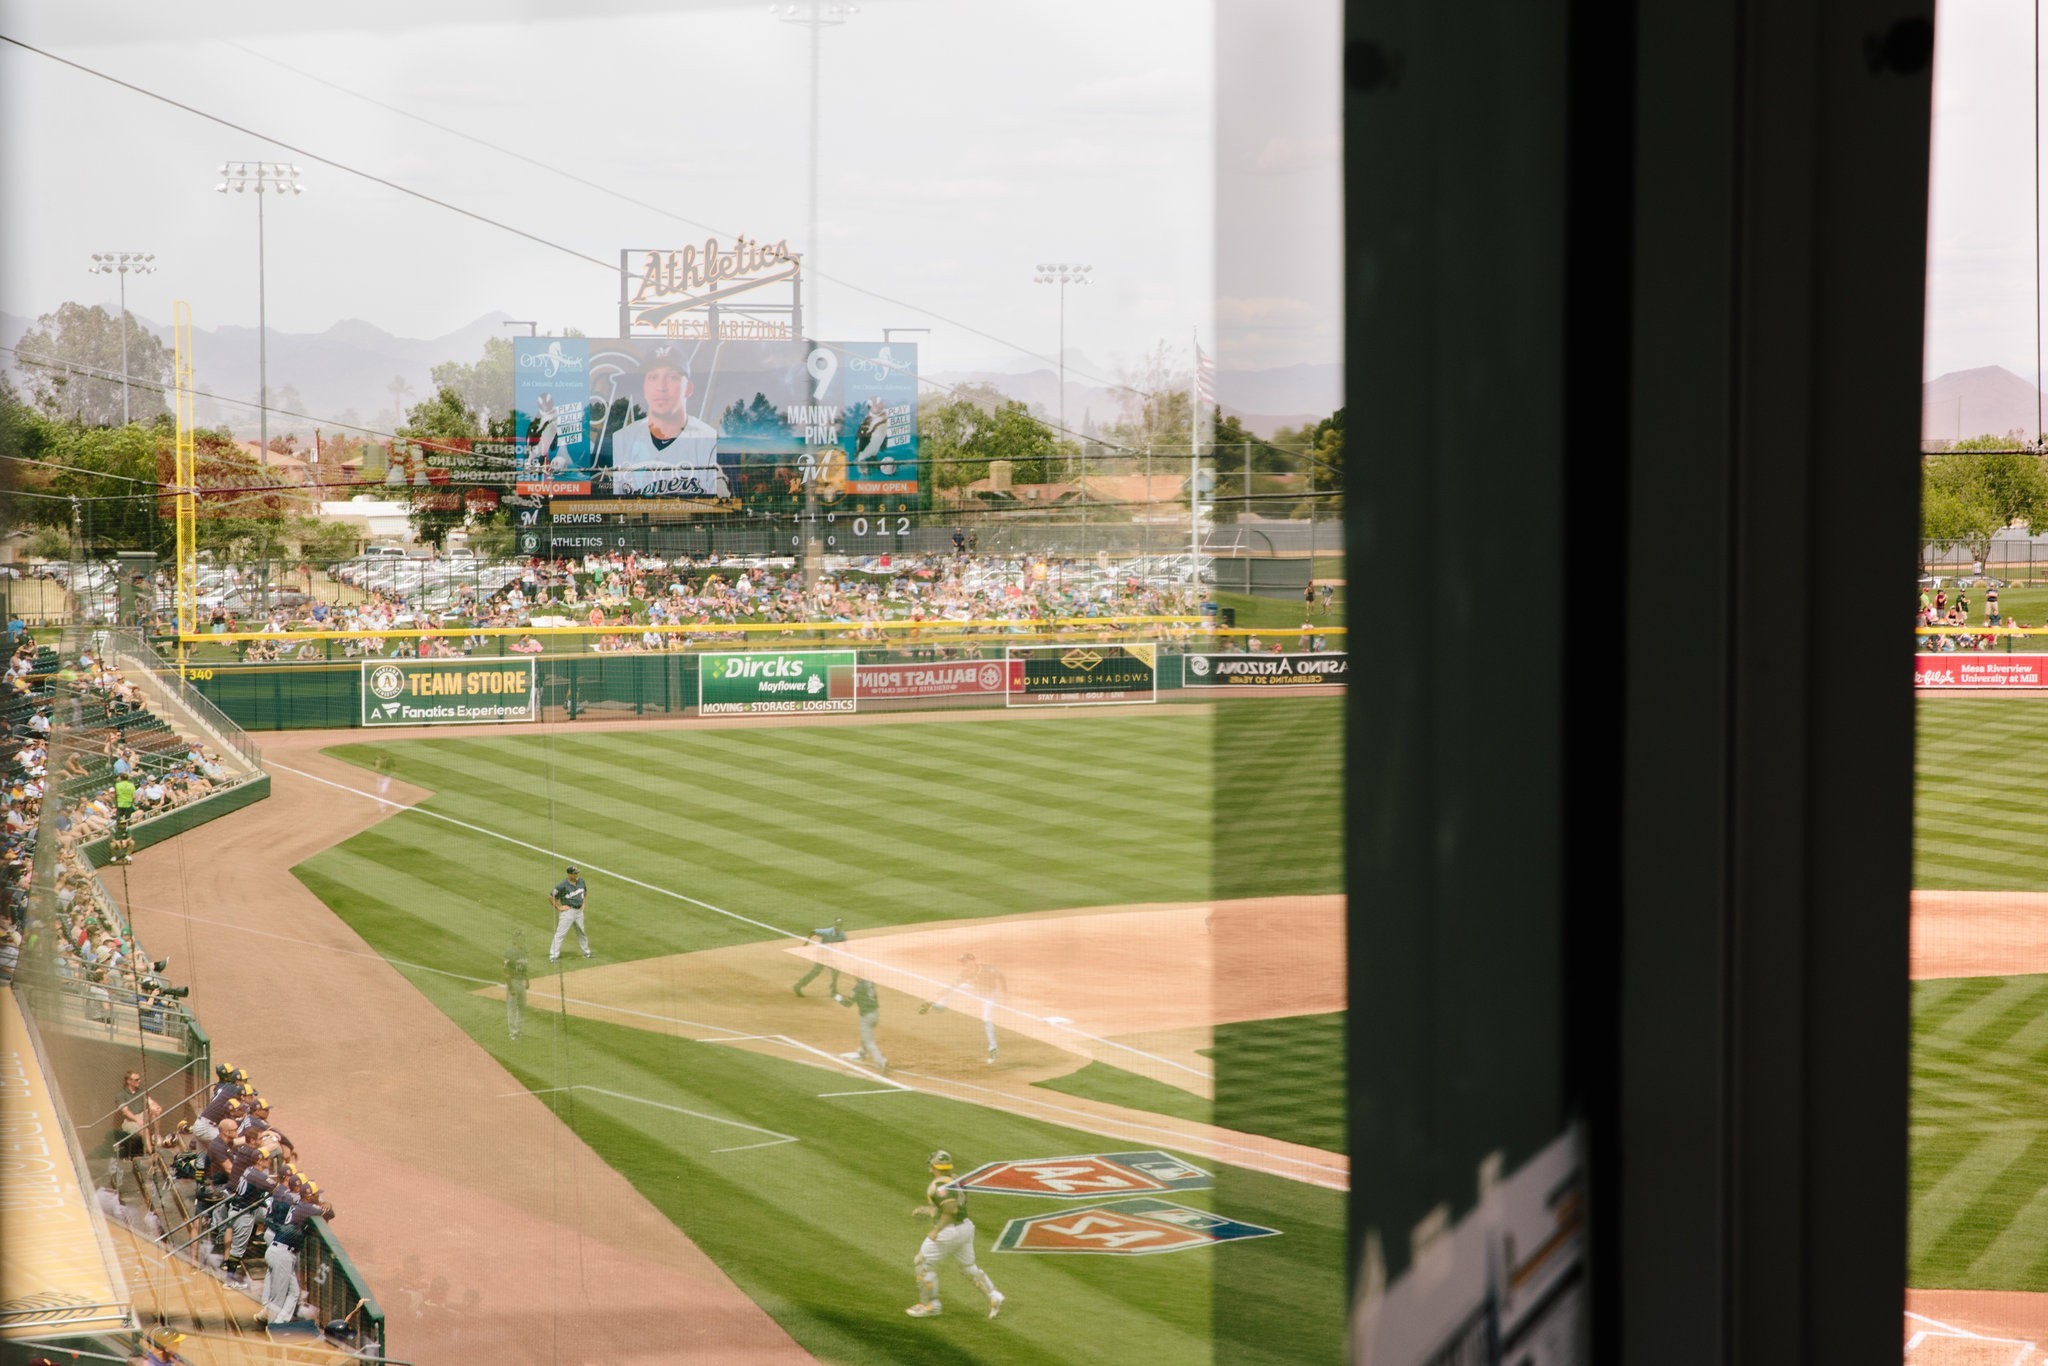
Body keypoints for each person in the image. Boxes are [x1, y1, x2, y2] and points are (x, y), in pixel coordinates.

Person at [608, 345, 725, 497]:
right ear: (644, 388)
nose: (661, 387)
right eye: (653, 377)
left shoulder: (708, 438)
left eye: (672, 377)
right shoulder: (622, 439)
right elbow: (612, 504)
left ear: (688, 389)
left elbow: (723, 504)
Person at [906, 1150, 1003, 1319]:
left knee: (922, 1263)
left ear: (933, 1167)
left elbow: (950, 1209)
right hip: (965, 1227)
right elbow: (954, 1206)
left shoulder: (939, 1186)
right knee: (968, 1267)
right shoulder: (957, 1180)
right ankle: (993, 1295)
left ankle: (930, 1305)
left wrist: (936, 1229)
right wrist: (928, 1210)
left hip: (948, 1231)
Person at [920, 952, 1009, 1064]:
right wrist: (933, 999)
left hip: (990, 996)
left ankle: (993, 1049)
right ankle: (941, 1005)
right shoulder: (964, 973)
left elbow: (1001, 977)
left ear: (972, 960)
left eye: (964, 961)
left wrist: (1005, 994)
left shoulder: (987, 969)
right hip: (977, 991)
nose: (963, 964)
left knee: (987, 1020)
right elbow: (951, 987)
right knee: (960, 986)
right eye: (962, 962)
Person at [835, 977, 888, 1072]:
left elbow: (848, 1003)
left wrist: (838, 998)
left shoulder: (859, 987)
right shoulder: (870, 984)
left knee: (869, 1042)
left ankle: (881, 1061)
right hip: (875, 1015)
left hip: (867, 1017)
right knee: (865, 1034)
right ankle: (861, 1053)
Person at [794, 917, 848, 997]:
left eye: (839, 925)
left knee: (836, 970)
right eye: (837, 924)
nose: (838, 926)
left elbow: (845, 945)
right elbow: (813, 932)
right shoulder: (827, 932)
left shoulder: (842, 934)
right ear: (835, 924)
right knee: (815, 972)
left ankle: (833, 990)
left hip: (829, 956)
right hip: (821, 955)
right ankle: (798, 986)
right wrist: (806, 942)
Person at [548, 865, 591, 964]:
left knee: (581, 932)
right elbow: (550, 896)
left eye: (577, 873)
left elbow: (585, 892)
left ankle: (586, 952)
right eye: (575, 873)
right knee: (560, 933)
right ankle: (553, 956)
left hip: (579, 912)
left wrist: (584, 904)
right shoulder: (562, 885)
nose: (577, 875)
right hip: (568, 912)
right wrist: (558, 907)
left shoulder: (581, 881)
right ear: (569, 874)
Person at [504, 931, 530, 1039]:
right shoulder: (509, 953)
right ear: (515, 940)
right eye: (520, 939)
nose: (522, 941)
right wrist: (510, 987)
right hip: (513, 982)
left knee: (522, 1008)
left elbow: (525, 968)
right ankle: (513, 1032)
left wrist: (527, 980)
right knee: (512, 1008)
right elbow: (505, 970)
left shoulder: (524, 952)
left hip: (521, 983)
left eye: (523, 939)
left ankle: (519, 1030)